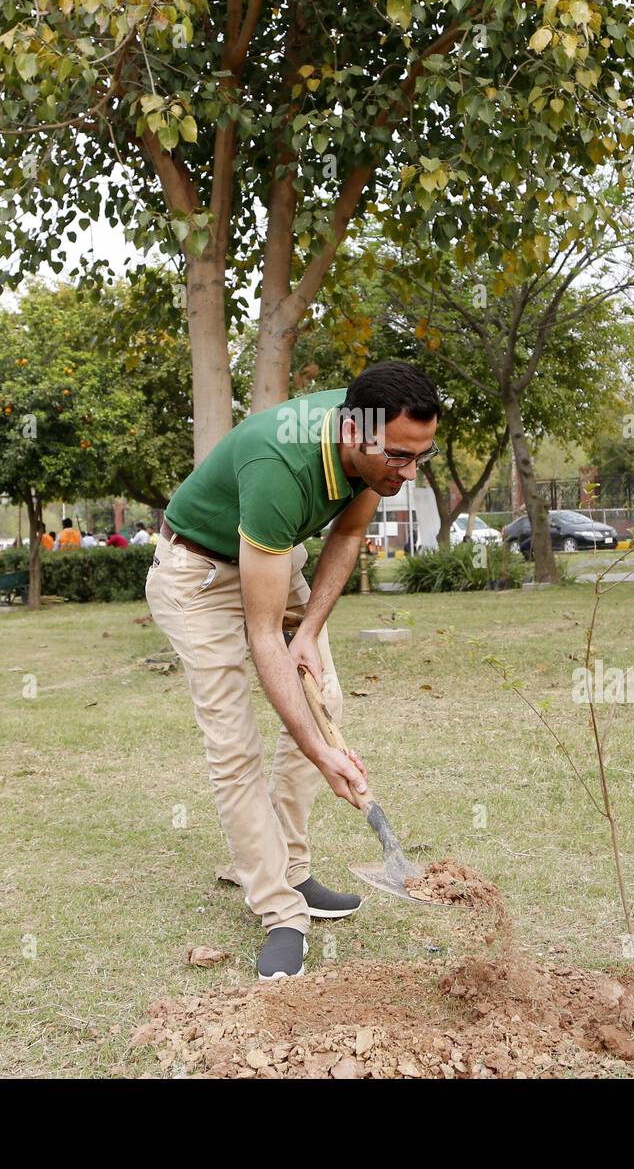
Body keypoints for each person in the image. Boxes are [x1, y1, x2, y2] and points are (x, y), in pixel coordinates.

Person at [146, 361, 441, 980]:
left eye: (422, 457)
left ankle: (295, 871)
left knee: (323, 696)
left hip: (274, 555)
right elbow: (261, 635)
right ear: (353, 438)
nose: (410, 473)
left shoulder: (375, 433)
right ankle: (279, 910)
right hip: (198, 574)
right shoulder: (280, 465)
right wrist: (319, 752)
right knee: (235, 745)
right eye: (400, 459)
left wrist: (306, 630)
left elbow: (346, 536)